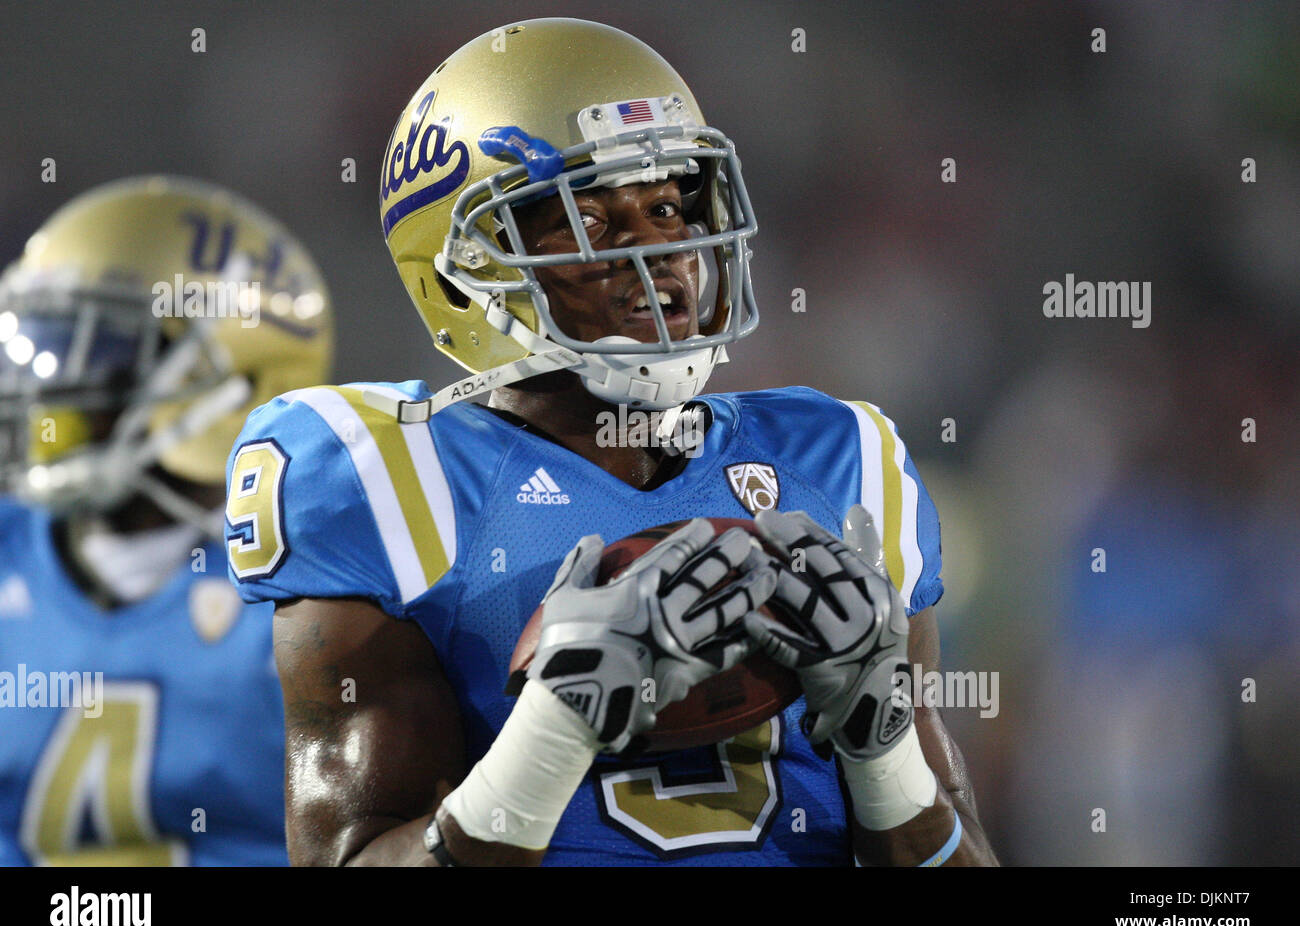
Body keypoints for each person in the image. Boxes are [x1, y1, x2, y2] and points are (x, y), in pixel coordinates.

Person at [228, 18, 996, 865]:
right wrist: (551, 735)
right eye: (589, 220)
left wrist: (883, 753)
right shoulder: (386, 478)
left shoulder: (841, 458)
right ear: (458, 274)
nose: (660, 254)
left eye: (668, 205)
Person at [0, 175, 332, 865]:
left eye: (97, 351)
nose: (43, 387)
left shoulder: (315, 589)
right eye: (41, 343)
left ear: (236, 383)